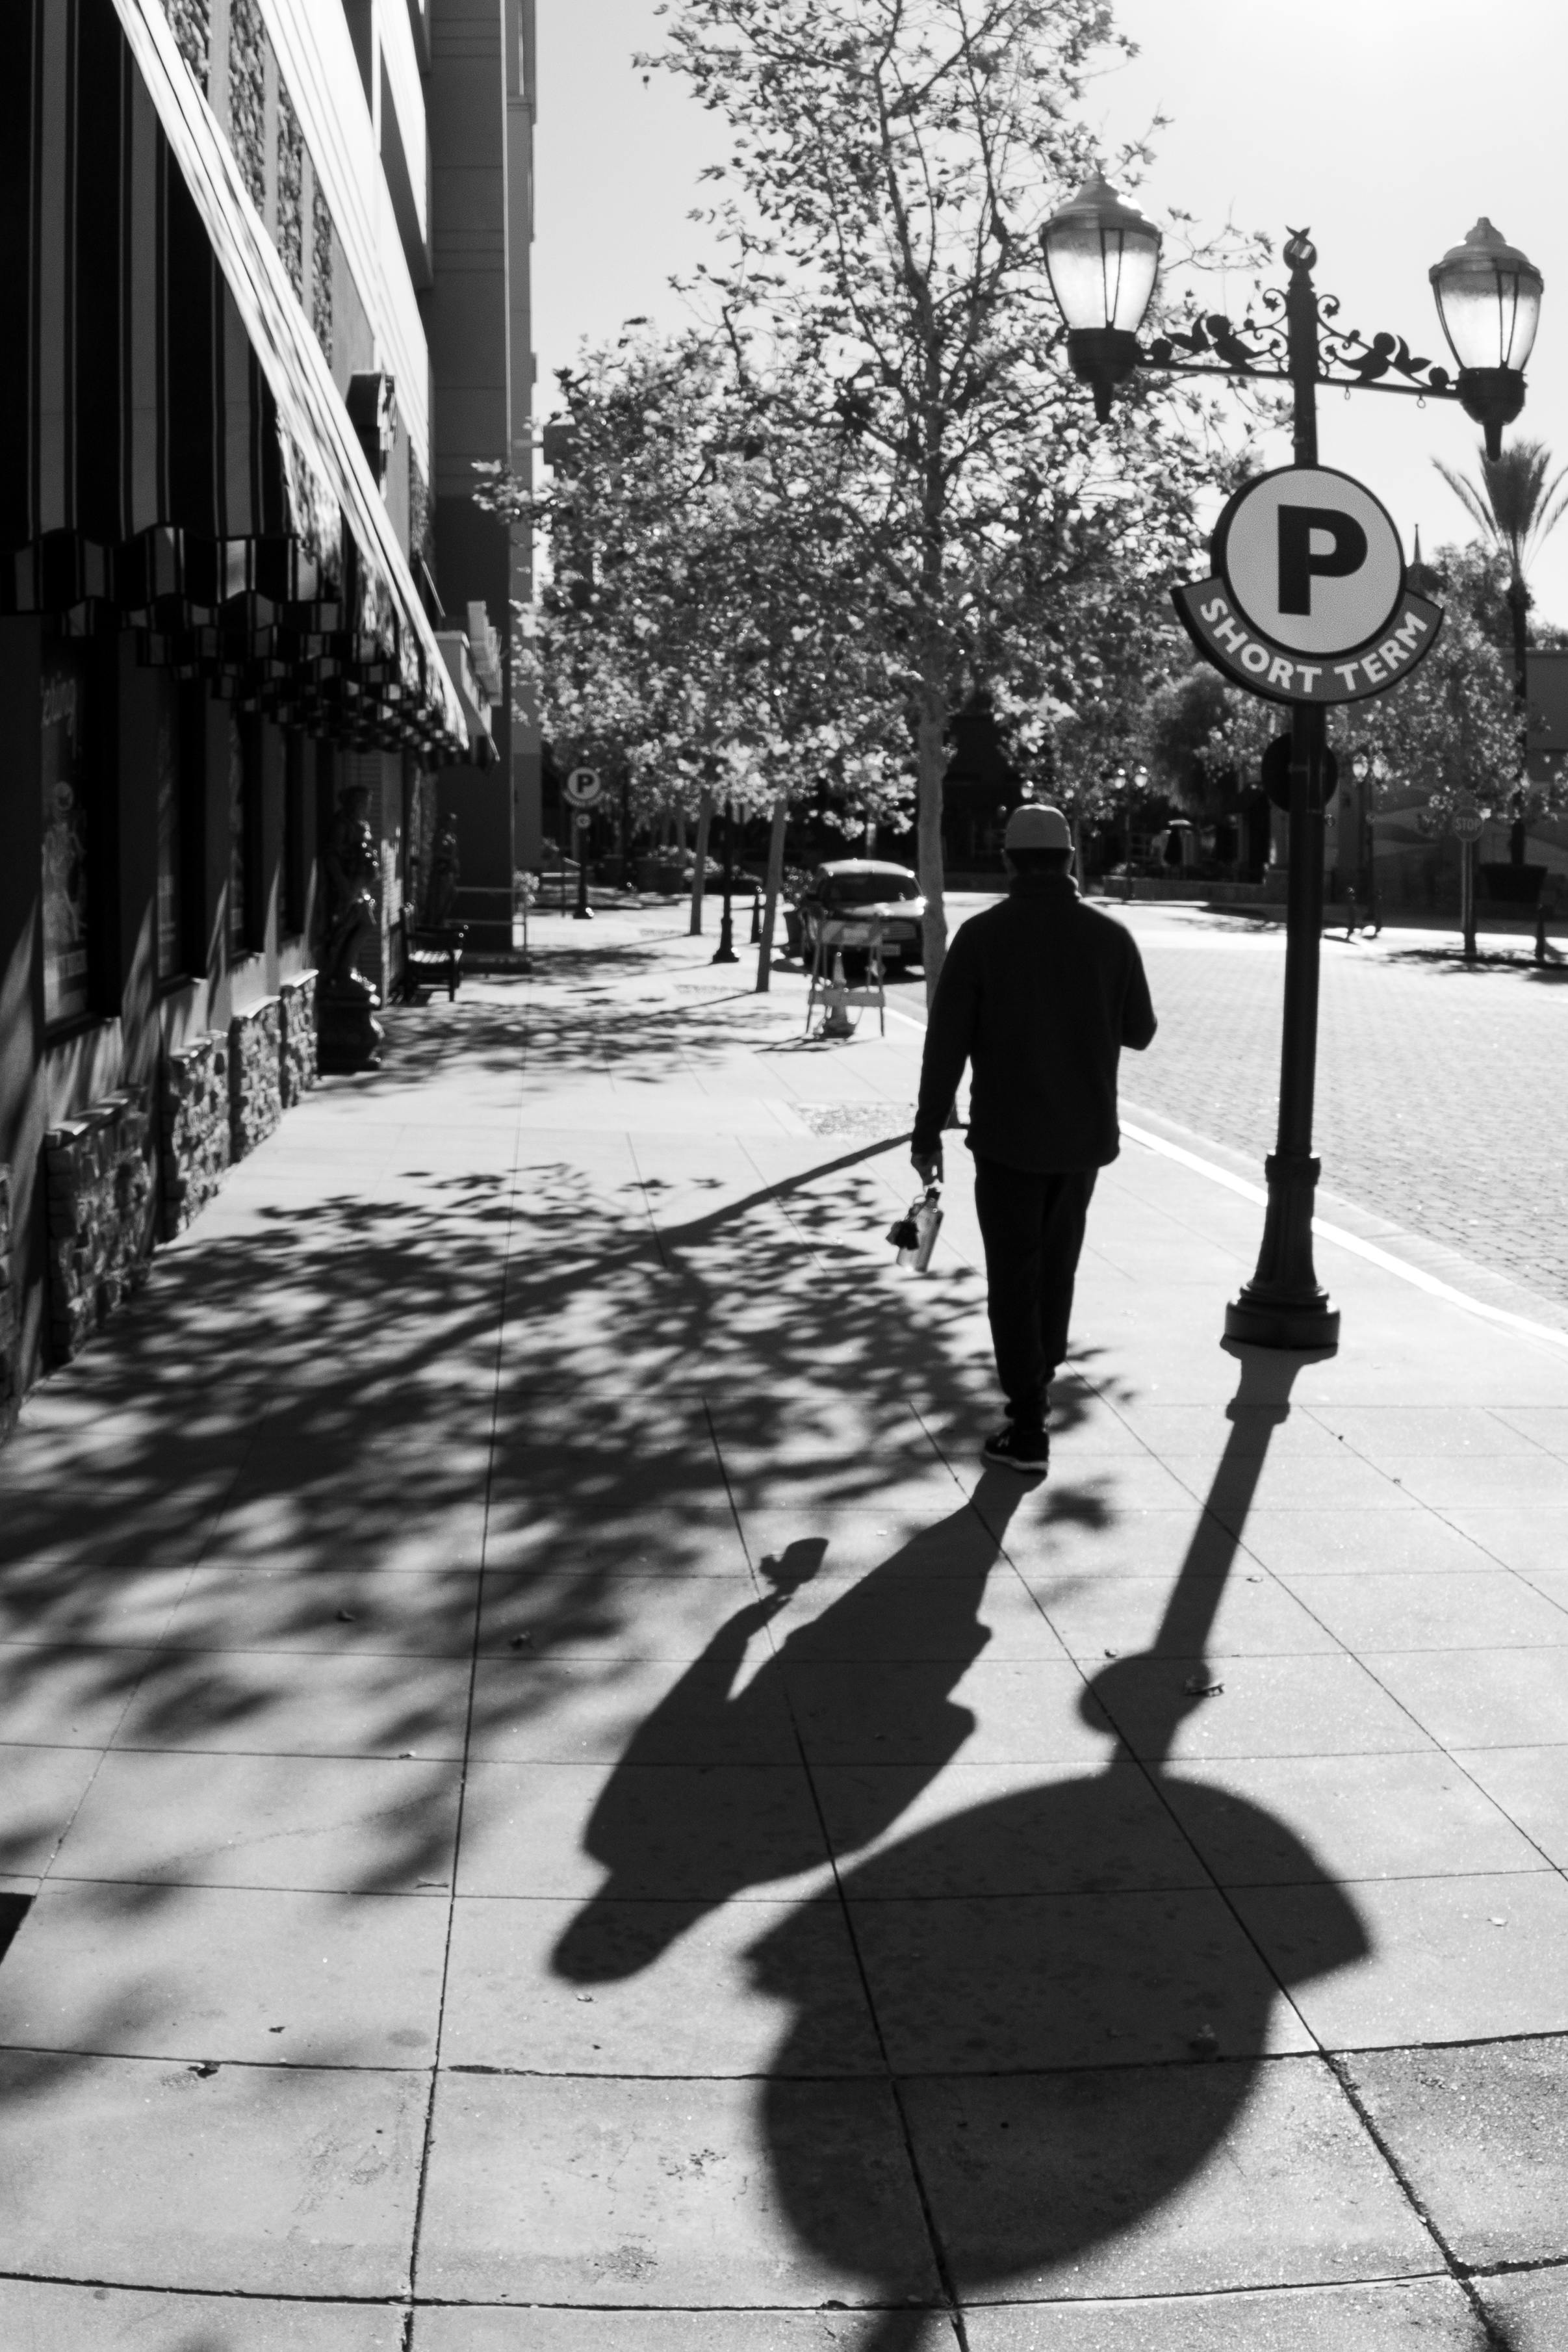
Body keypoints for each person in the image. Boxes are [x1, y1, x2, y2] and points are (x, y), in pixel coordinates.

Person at [911, 803, 1156, 1473]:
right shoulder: (1110, 937)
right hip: (1081, 1138)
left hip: (1007, 1137)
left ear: (1008, 861)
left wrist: (928, 1130)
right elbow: (1140, 1031)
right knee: (1056, 1266)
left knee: (1014, 1274)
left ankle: (1027, 1421)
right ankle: (1036, 1387)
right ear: (1071, 859)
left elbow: (945, 1044)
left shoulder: (982, 936)